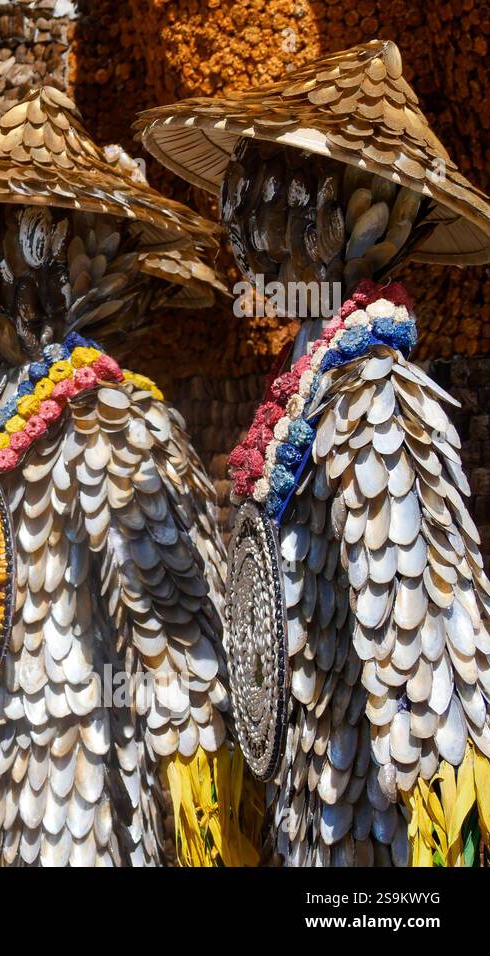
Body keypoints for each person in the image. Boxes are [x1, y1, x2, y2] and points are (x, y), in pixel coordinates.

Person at [0, 86, 261, 865]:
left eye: (21, 242)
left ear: (85, 256)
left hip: (81, 777)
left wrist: (196, 771)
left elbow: (174, 630)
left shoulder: (116, 419)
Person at [136, 38, 490, 866]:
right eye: (245, 198)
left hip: (376, 826)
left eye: (273, 202)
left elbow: (429, 651)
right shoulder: (309, 378)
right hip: (313, 808)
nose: (247, 236)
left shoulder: (373, 397)